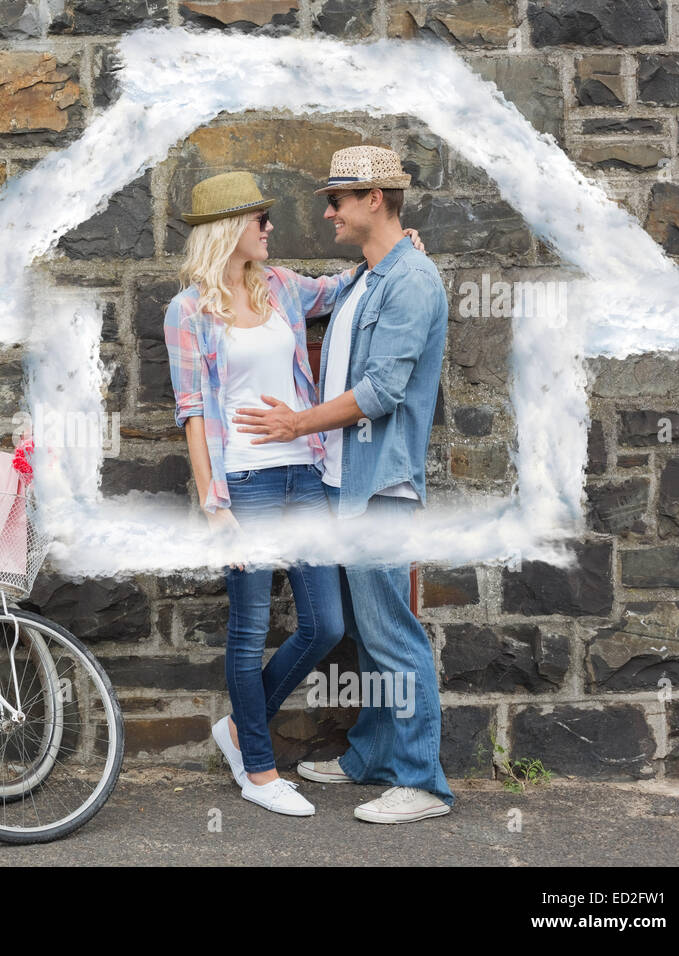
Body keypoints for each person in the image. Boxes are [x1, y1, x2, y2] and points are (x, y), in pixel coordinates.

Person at [163, 170, 423, 817]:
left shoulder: (280, 287)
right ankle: (257, 767)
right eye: (261, 220)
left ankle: (238, 728)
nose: (271, 228)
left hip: (303, 473)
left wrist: (396, 253)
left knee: (325, 624)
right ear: (231, 230)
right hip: (244, 483)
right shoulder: (188, 311)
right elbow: (193, 412)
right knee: (250, 629)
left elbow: (345, 287)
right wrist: (213, 502)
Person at [232, 146, 454, 824]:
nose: (327, 210)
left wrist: (298, 422)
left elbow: (384, 389)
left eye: (338, 199)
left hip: (378, 486)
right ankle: (371, 757)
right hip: (340, 481)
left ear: (375, 201)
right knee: (363, 631)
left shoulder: (411, 281)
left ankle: (422, 782)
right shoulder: (370, 276)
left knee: (393, 635)